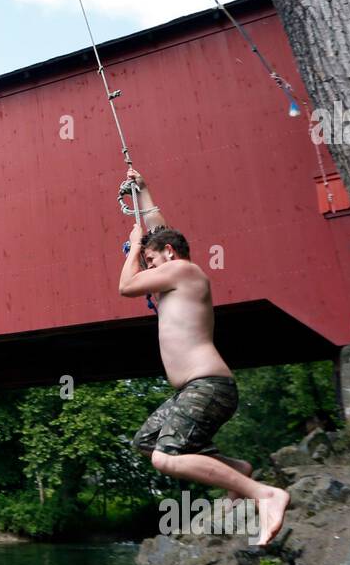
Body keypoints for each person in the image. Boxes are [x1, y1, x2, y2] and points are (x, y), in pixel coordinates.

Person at [117, 167, 288, 545]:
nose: (149, 269)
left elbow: (126, 286)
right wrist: (142, 191)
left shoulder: (185, 271)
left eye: (151, 261)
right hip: (192, 390)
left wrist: (133, 240)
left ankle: (265, 495)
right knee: (146, 442)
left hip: (208, 386)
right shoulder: (175, 270)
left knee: (164, 457)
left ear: (170, 255)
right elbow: (161, 231)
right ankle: (240, 470)